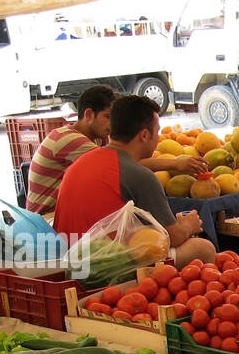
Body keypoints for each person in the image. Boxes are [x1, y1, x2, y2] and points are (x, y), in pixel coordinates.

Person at [53, 94, 215, 265]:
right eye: (157, 131)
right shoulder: (140, 175)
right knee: (202, 249)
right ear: (144, 135)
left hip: (65, 259)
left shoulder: (83, 161)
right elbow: (173, 237)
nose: (158, 138)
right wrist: (189, 225)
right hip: (101, 265)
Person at [27, 83, 206, 219]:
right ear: (89, 115)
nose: (112, 124)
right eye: (107, 117)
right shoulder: (68, 139)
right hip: (47, 222)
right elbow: (121, 165)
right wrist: (177, 163)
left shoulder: (98, 137)